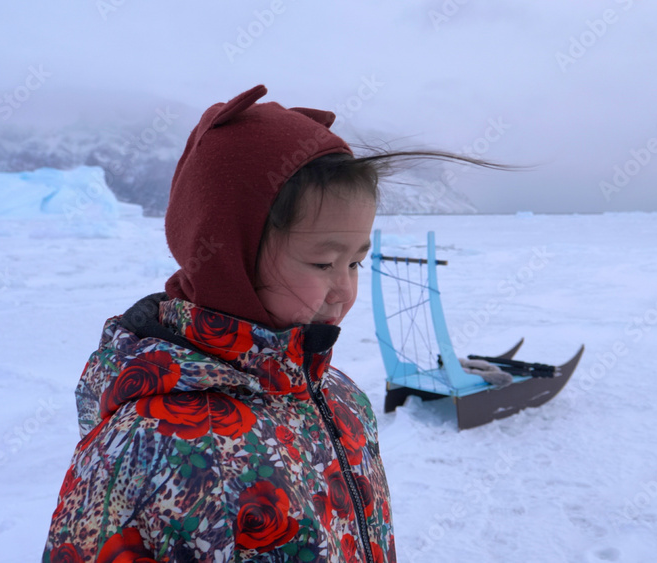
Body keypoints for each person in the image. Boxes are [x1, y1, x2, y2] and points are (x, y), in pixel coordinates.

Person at [43, 84, 504, 562]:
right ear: (231, 260)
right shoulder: (148, 443)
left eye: (355, 264)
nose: (345, 291)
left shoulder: (338, 397)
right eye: (324, 264)